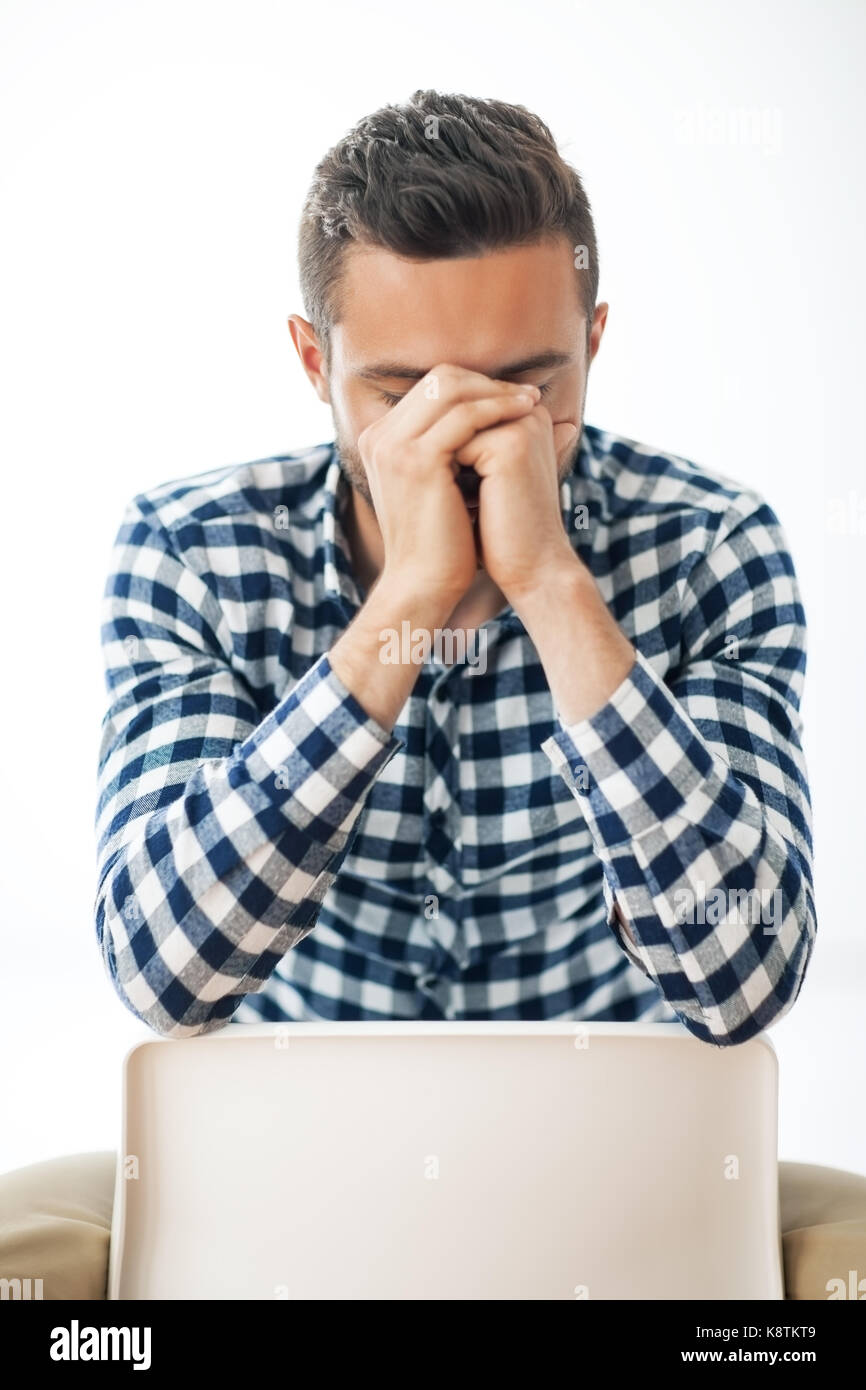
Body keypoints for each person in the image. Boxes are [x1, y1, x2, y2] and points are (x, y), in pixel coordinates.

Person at [2, 89, 860, 1299]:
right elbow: (165, 971)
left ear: (595, 341)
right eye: (399, 389)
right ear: (314, 362)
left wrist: (552, 587)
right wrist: (402, 604)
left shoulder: (708, 547)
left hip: (617, 1182)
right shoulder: (193, 548)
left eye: (525, 388)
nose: (463, 436)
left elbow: (743, 980)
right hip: (278, 1180)